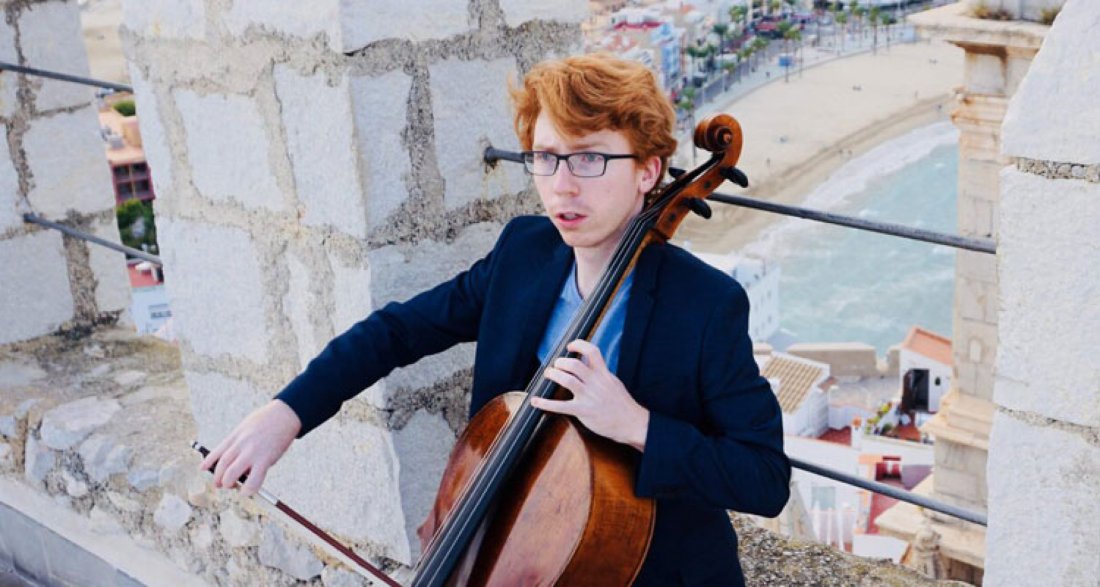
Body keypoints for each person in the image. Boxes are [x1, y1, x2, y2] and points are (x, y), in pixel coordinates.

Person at [202, 53, 790, 586]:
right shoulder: (524, 254)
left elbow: (764, 479)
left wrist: (636, 423)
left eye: (590, 158)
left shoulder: (705, 305)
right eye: (546, 157)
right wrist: (286, 413)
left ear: (647, 171)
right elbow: (398, 331)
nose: (562, 185)